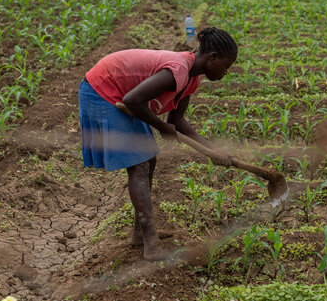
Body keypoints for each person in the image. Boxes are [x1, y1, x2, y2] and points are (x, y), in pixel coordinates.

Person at [79, 28, 238, 260]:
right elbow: (132, 100)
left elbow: (177, 121)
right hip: (102, 89)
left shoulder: (191, 79)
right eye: (226, 65)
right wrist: (162, 127)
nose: (226, 72)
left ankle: (140, 234)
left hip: (124, 93)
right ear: (212, 57)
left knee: (148, 159)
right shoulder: (178, 70)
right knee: (140, 164)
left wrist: (212, 151)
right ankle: (151, 244)